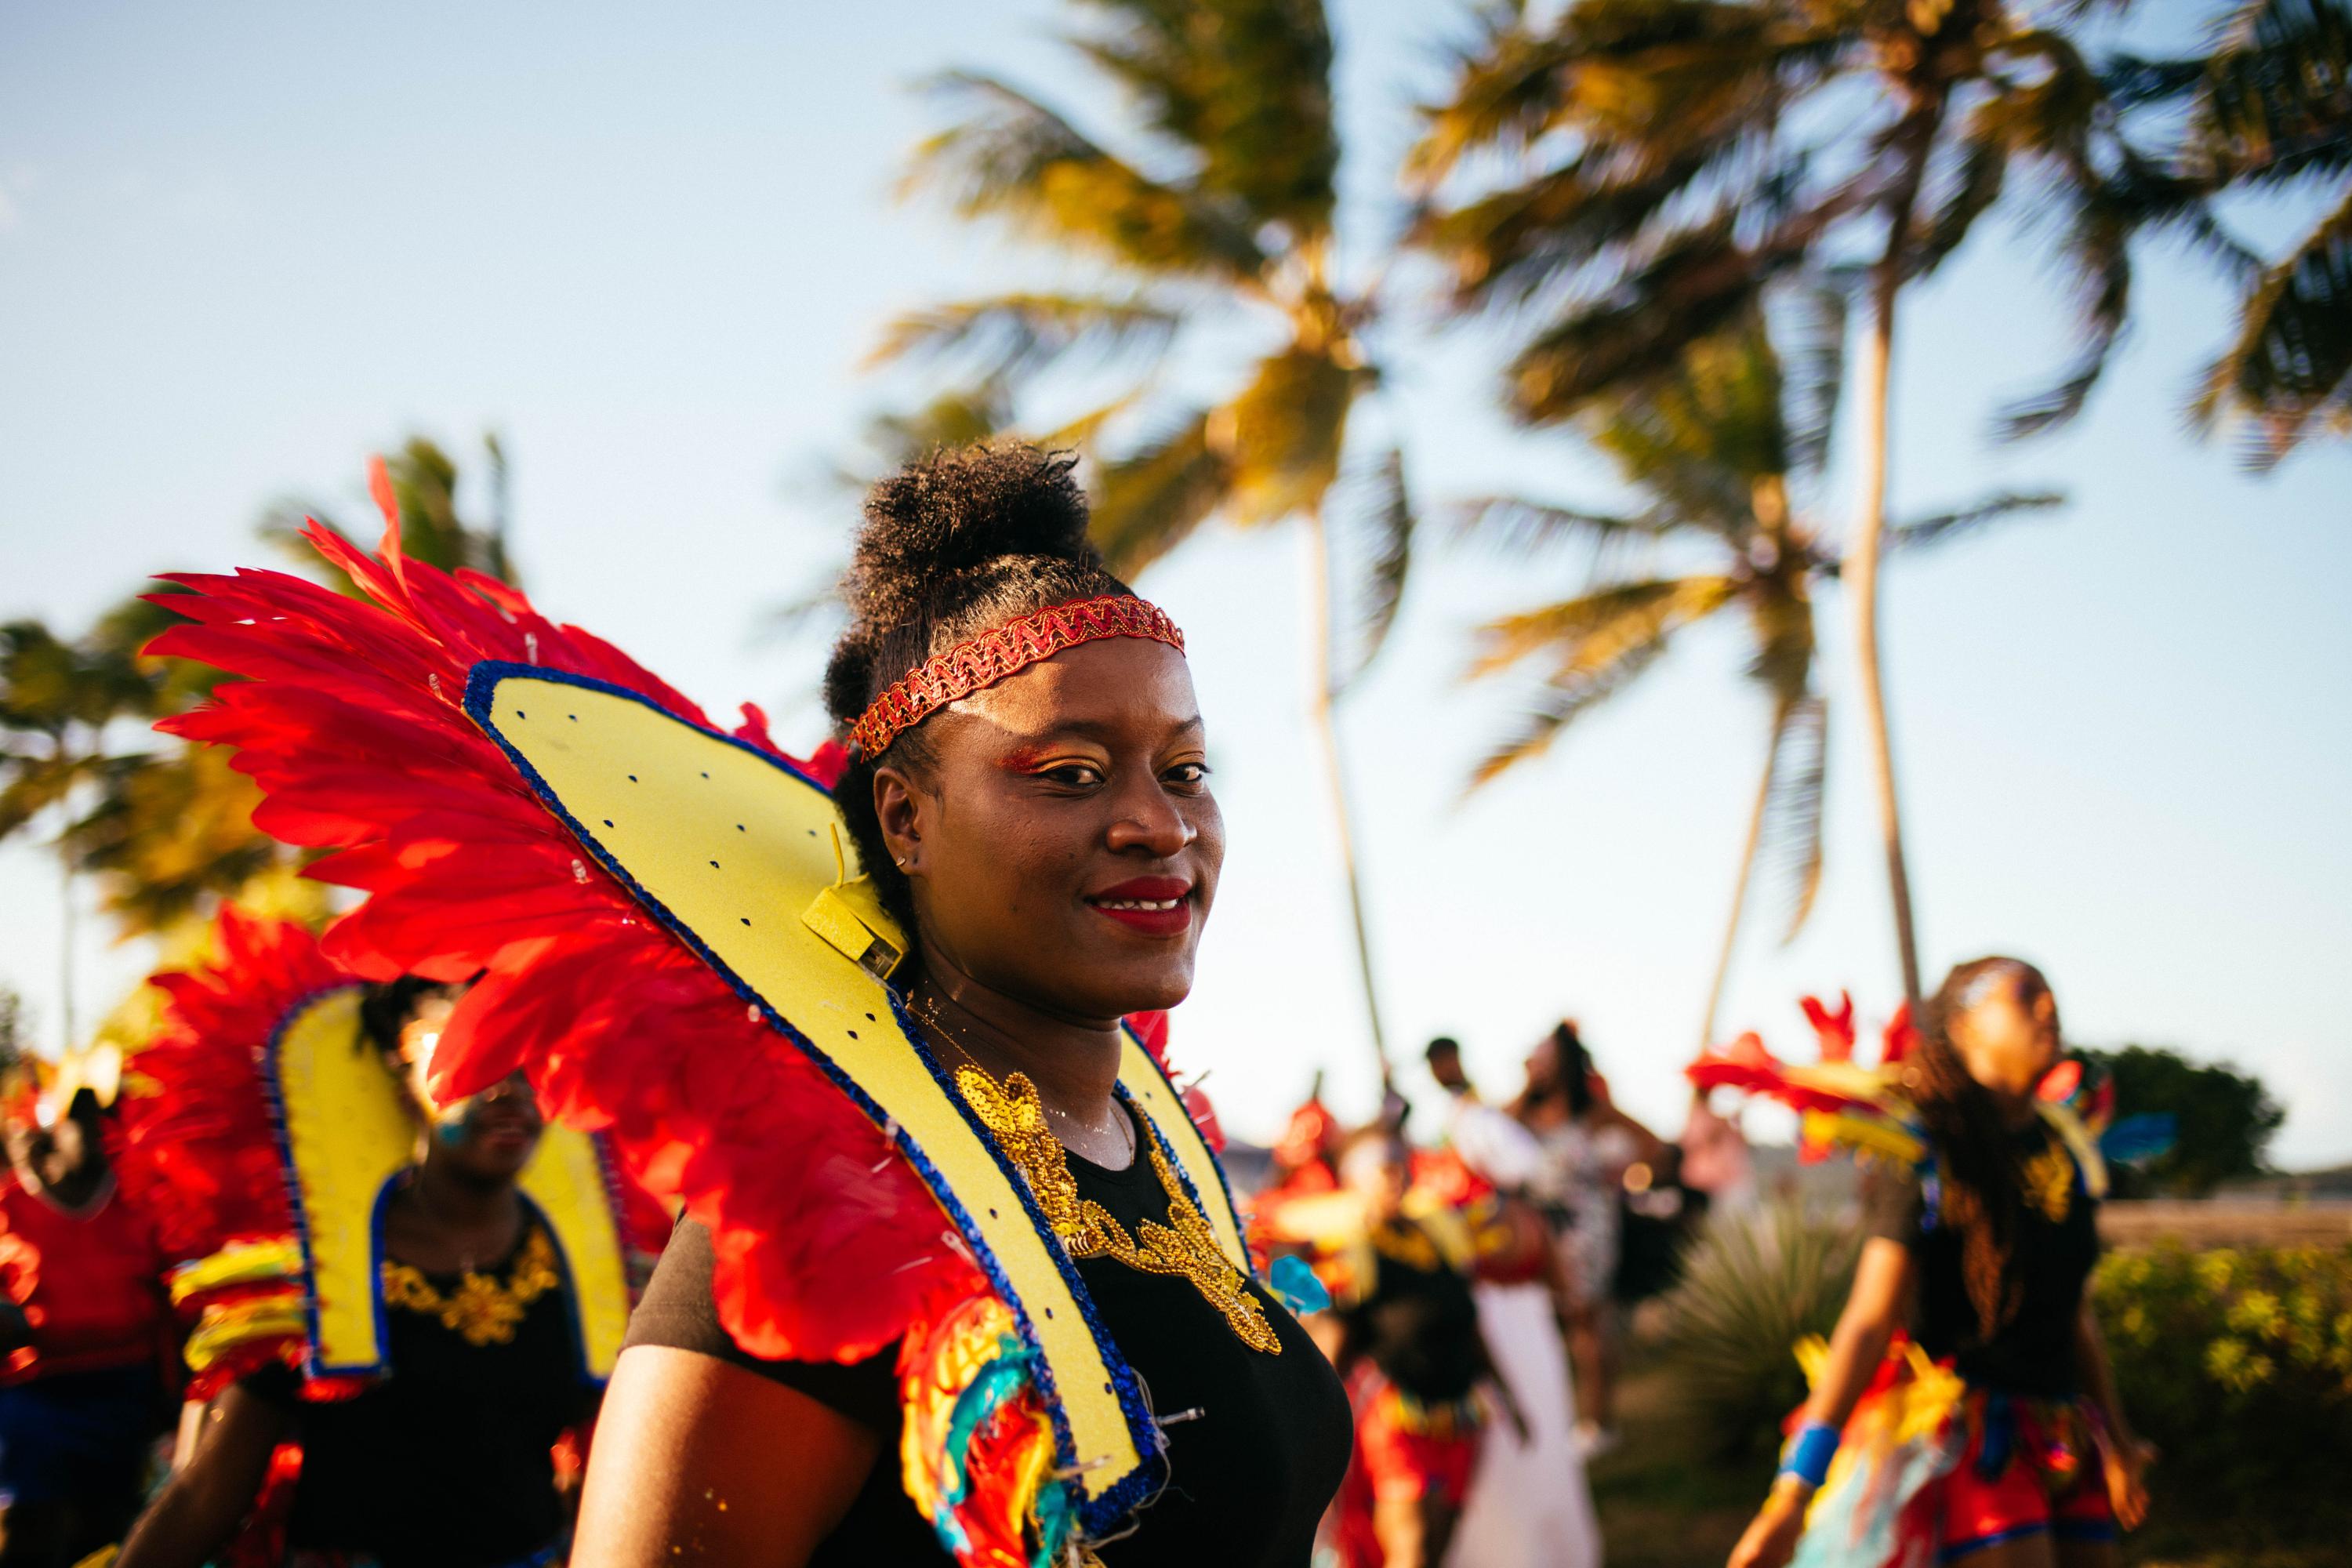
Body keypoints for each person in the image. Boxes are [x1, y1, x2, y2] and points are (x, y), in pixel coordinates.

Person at [145, 442, 1354, 1566]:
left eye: (1186, 769)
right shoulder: (825, 1211)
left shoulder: (1163, 1147)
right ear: (906, 820)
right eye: (1071, 773)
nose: (1159, 824)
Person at [113, 910, 655, 1568]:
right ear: (402, 1078)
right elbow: (206, 1496)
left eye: (531, 1059)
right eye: (476, 1055)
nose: (510, 1090)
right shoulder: (320, 1266)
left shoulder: (590, 1265)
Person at [1711, 958, 2153, 1568]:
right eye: (2025, 993)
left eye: (2049, 991)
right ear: (1966, 1028)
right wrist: (1794, 1492)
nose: (2048, 1007)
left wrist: (2118, 1440)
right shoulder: (1926, 1152)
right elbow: (1868, 1321)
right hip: (1971, 1441)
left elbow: (2072, 1310)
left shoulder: (2068, 1150)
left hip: (2063, 1431)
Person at [1300, 1128, 1519, 1568]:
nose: (1396, 1178)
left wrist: (1510, 1399)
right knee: (1410, 1544)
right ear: (1357, 1181)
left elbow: (1470, 1325)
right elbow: (1334, 1344)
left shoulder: (1441, 1237)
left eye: (1400, 1168)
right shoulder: (1352, 1253)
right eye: (1384, 1170)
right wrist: (1315, 1425)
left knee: (1439, 1542)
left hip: (1459, 1412)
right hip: (1396, 1414)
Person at [1420, 1038, 1600, 1568]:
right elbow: (1529, 1168)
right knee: (1527, 1415)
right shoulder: (1478, 1130)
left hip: (1497, 1304)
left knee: (1517, 1418)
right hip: (1508, 1307)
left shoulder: (1466, 1135)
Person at [0, 1054, 169, 1568]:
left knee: (116, 1527)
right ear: (55, 1128)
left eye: (110, 1118)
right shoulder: (9, 1206)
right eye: (84, 1120)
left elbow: (169, 1306)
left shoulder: (141, 1199)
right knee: (32, 1527)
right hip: (38, 1398)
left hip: (128, 1392)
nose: (101, 1132)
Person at [1510, 1020, 1664, 1454]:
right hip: (1543, 1227)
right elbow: (1499, 1132)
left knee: (1587, 1319)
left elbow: (1651, 1144)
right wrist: (1526, 1088)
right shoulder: (1526, 1112)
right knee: (1563, 1322)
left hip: (1588, 1225)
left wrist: (1627, 1174)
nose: (1538, 1066)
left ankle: (1596, 1421)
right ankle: (1576, 1417)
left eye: (1546, 1058)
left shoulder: (1592, 1111)